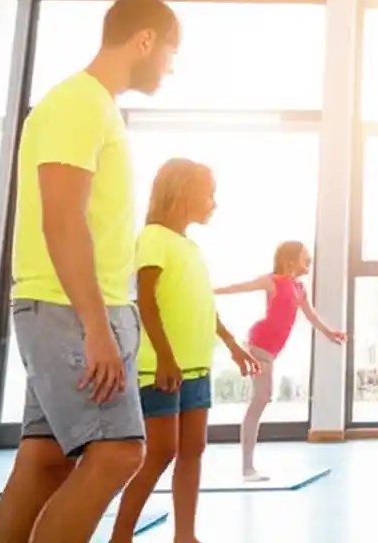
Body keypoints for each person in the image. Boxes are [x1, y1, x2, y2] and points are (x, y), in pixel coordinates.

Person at [0, 0, 179, 543]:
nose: (170, 65)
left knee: (45, 462)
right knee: (120, 453)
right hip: (71, 309)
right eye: (170, 50)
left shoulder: (93, 106)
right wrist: (96, 326)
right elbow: (63, 219)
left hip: (65, 307)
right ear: (144, 40)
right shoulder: (80, 103)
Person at [109, 159, 260, 543]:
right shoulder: (153, 237)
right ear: (182, 192)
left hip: (195, 366)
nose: (214, 202)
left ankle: (185, 536)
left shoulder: (190, 247)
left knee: (193, 449)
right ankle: (121, 535)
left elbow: (204, 305)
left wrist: (231, 344)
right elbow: (145, 300)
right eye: (209, 193)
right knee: (160, 452)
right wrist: (163, 356)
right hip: (163, 367)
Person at [214, 242, 347, 481]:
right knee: (260, 401)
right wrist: (210, 291)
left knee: (262, 399)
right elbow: (240, 287)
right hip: (259, 345)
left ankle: (248, 467)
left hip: (270, 350)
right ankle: (247, 468)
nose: (310, 262)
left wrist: (330, 333)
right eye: (306, 258)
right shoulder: (272, 280)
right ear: (289, 262)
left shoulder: (299, 288)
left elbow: (311, 316)